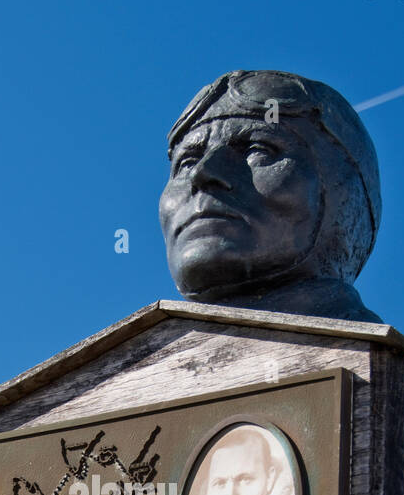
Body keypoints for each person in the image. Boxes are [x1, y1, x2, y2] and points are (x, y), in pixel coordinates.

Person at [159, 70, 382, 322]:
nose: (202, 173)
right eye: (187, 162)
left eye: (259, 150)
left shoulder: (366, 354)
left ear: (343, 196)